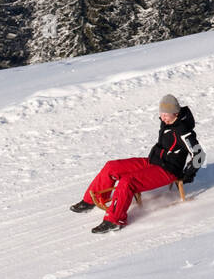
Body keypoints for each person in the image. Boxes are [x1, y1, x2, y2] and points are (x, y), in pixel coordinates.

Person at [70, 94, 201, 233]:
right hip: (153, 161)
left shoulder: (184, 132)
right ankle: (91, 200)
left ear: (176, 113)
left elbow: (199, 155)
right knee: (111, 167)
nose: (162, 118)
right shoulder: (169, 122)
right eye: (161, 114)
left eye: (166, 115)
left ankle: (115, 220)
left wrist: (189, 173)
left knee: (127, 182)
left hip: (168, 170)